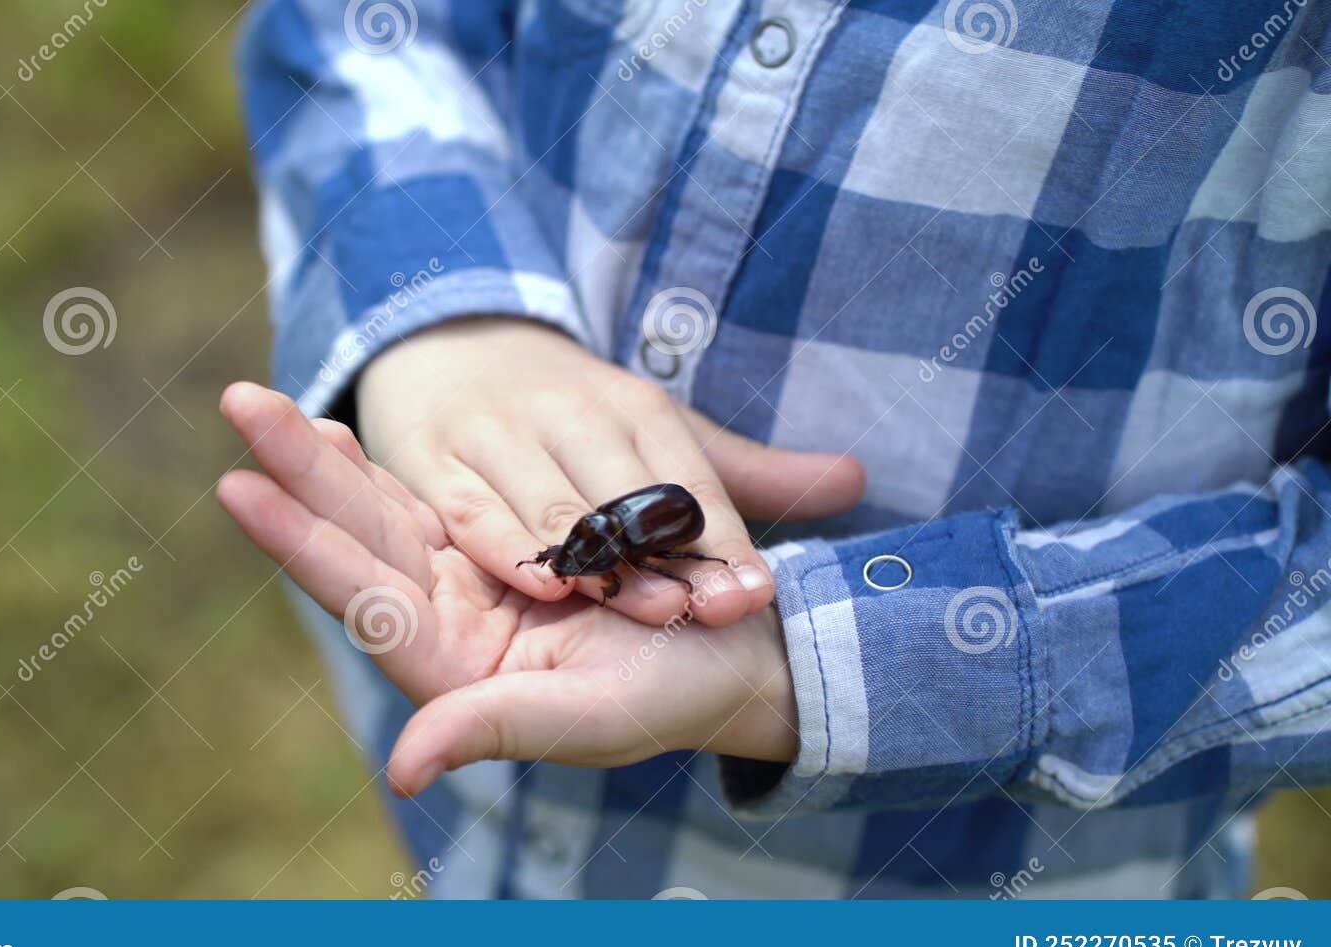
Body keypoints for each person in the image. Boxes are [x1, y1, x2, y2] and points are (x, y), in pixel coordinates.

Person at [219, 0, 1331, 898]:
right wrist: (452, 318)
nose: (573, 573)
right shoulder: (597, 547)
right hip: (487, 846)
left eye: (576, 565)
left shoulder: (621, 551)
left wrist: (817, 662)